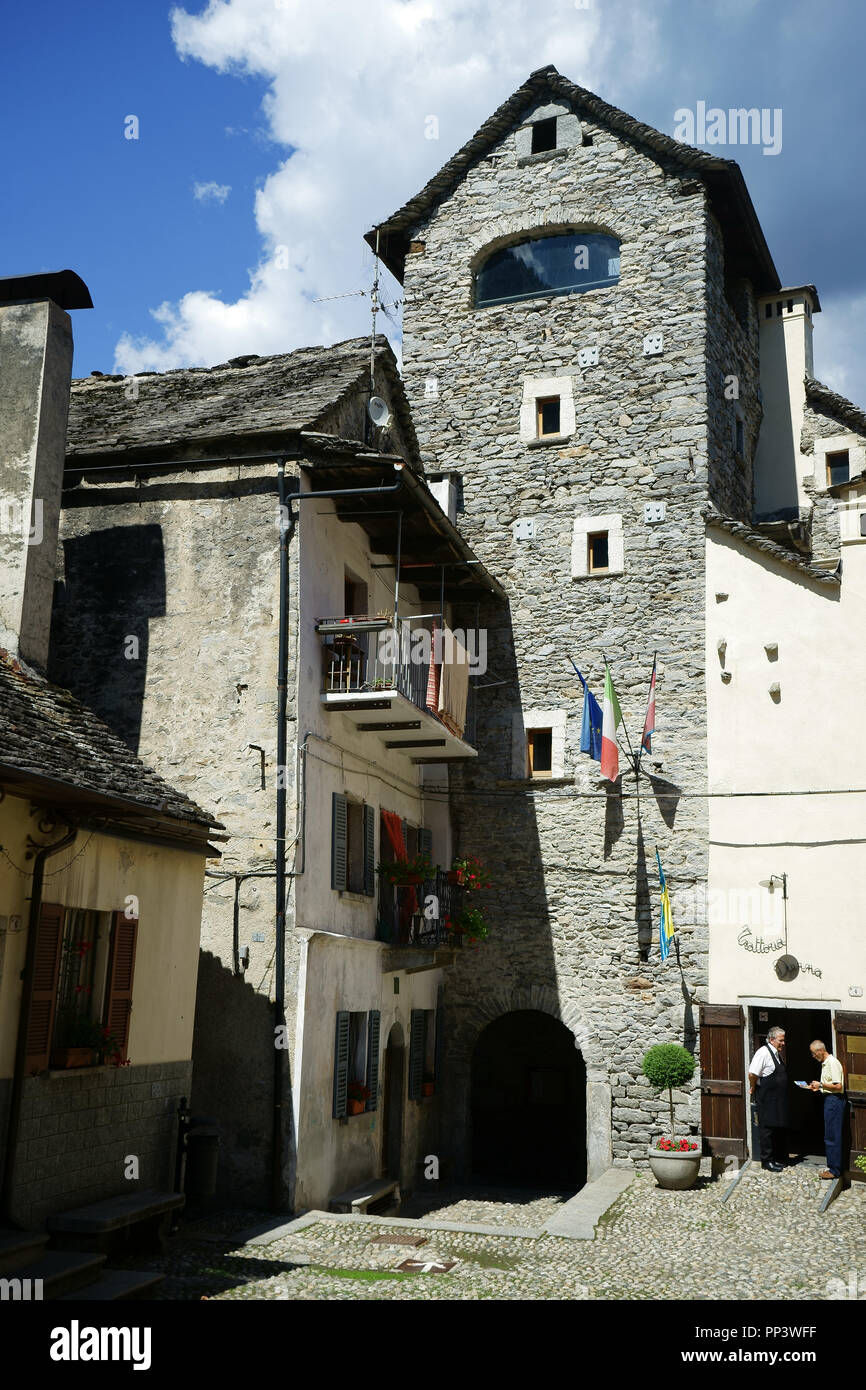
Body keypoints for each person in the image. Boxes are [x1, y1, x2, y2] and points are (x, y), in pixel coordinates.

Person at [748, 1025, 789, 1171]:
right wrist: (753, 1087)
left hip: (777, 1099)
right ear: (772, 1039)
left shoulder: (777, 1053)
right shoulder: (763, 1053)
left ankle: (776, 1158)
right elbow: (752, 1073)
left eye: (783, 1041)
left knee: (776, 1128)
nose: (783, 1043)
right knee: (766, 1130)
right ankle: (766, 1161)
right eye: (781, 1041)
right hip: (766, 1098)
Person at [809, 1040, 846, 1179]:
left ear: (820, 1051)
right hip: (829, 1100)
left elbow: (837, 1086)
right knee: (829, 1134)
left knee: (833, 1135)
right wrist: (818, 1087)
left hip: (834, 1100)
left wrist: (821, 1084)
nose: (813, 1056)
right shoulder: (825, 1064)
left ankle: (834, 1170)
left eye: (813, 1053)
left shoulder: (832, 1063)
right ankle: (832, 1166)